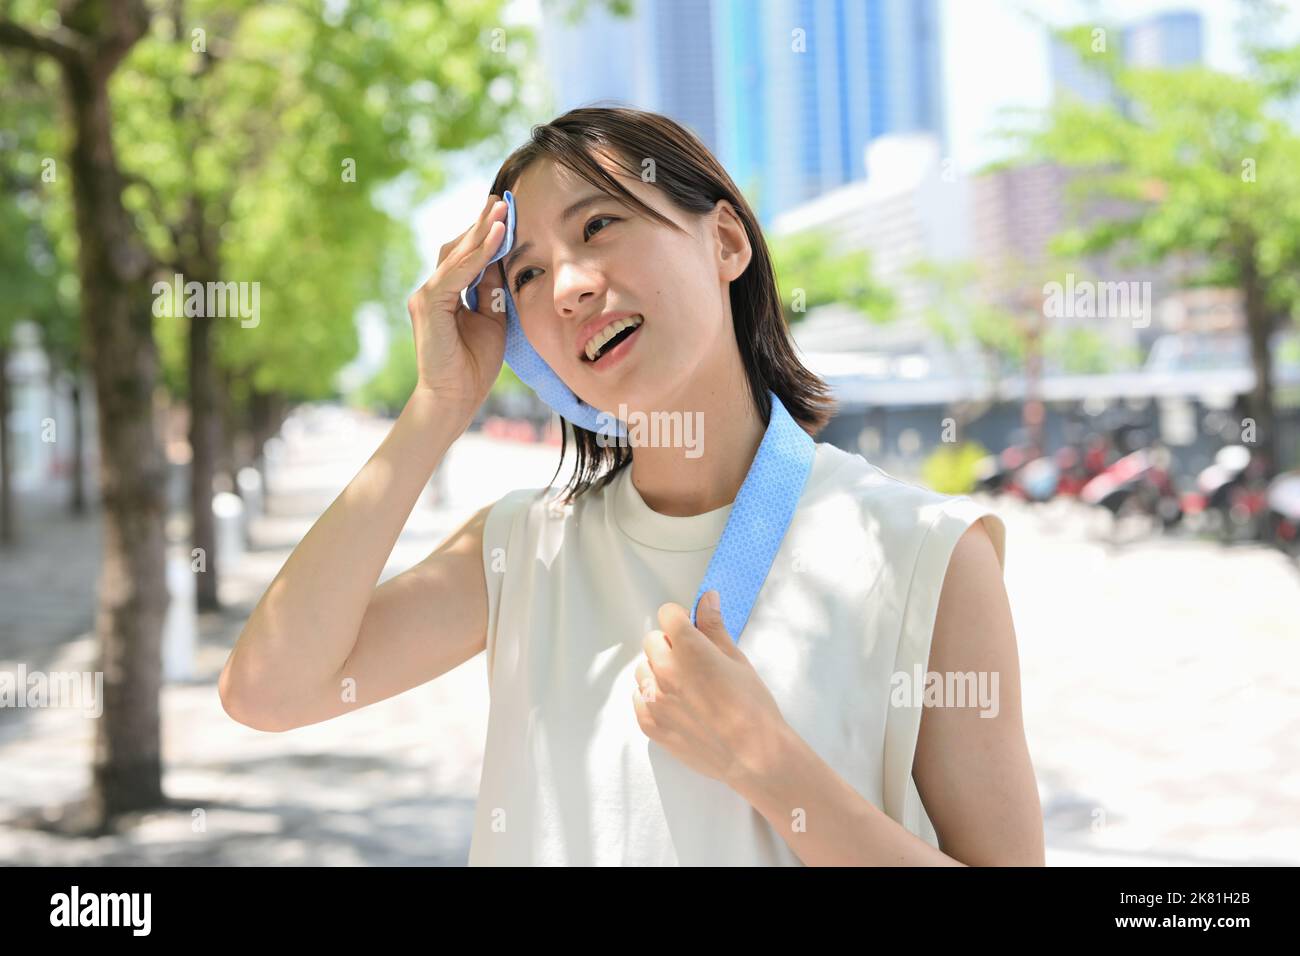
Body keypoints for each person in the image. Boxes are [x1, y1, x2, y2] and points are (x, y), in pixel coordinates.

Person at [219, 106, 1044, 867]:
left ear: (726, 241)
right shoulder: (521, 550)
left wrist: (772, 770)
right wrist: (438, 406)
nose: (570, 287)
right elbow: (267, 692)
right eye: (529, 275)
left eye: (599, 225)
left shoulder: (925, 553)